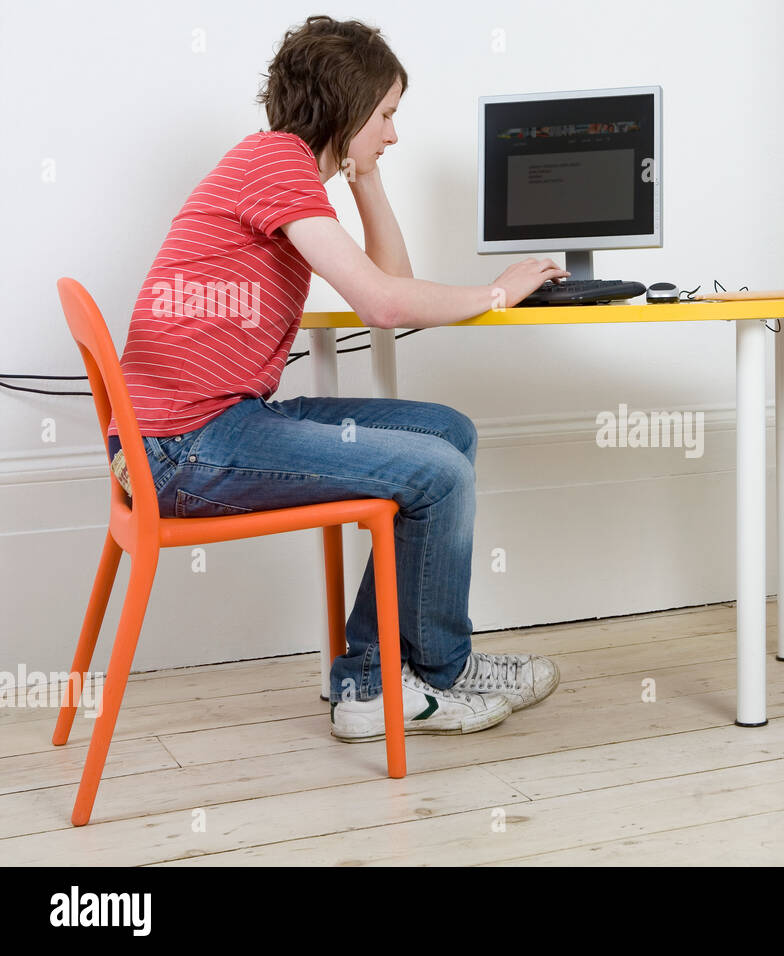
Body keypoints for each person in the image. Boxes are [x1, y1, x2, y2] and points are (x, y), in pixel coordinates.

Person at [104, 15, 565, 741]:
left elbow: (392, 284)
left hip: (216, 424)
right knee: (439, 474)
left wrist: (367, 176)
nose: (393, 133)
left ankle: (420, 667)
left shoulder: (282, 167)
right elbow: (383, 303)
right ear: (347, 106)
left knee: (449, 432)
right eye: (385, 115)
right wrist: (498, 291)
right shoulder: (274, 162)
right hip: (182, 446)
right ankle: (389, 685)